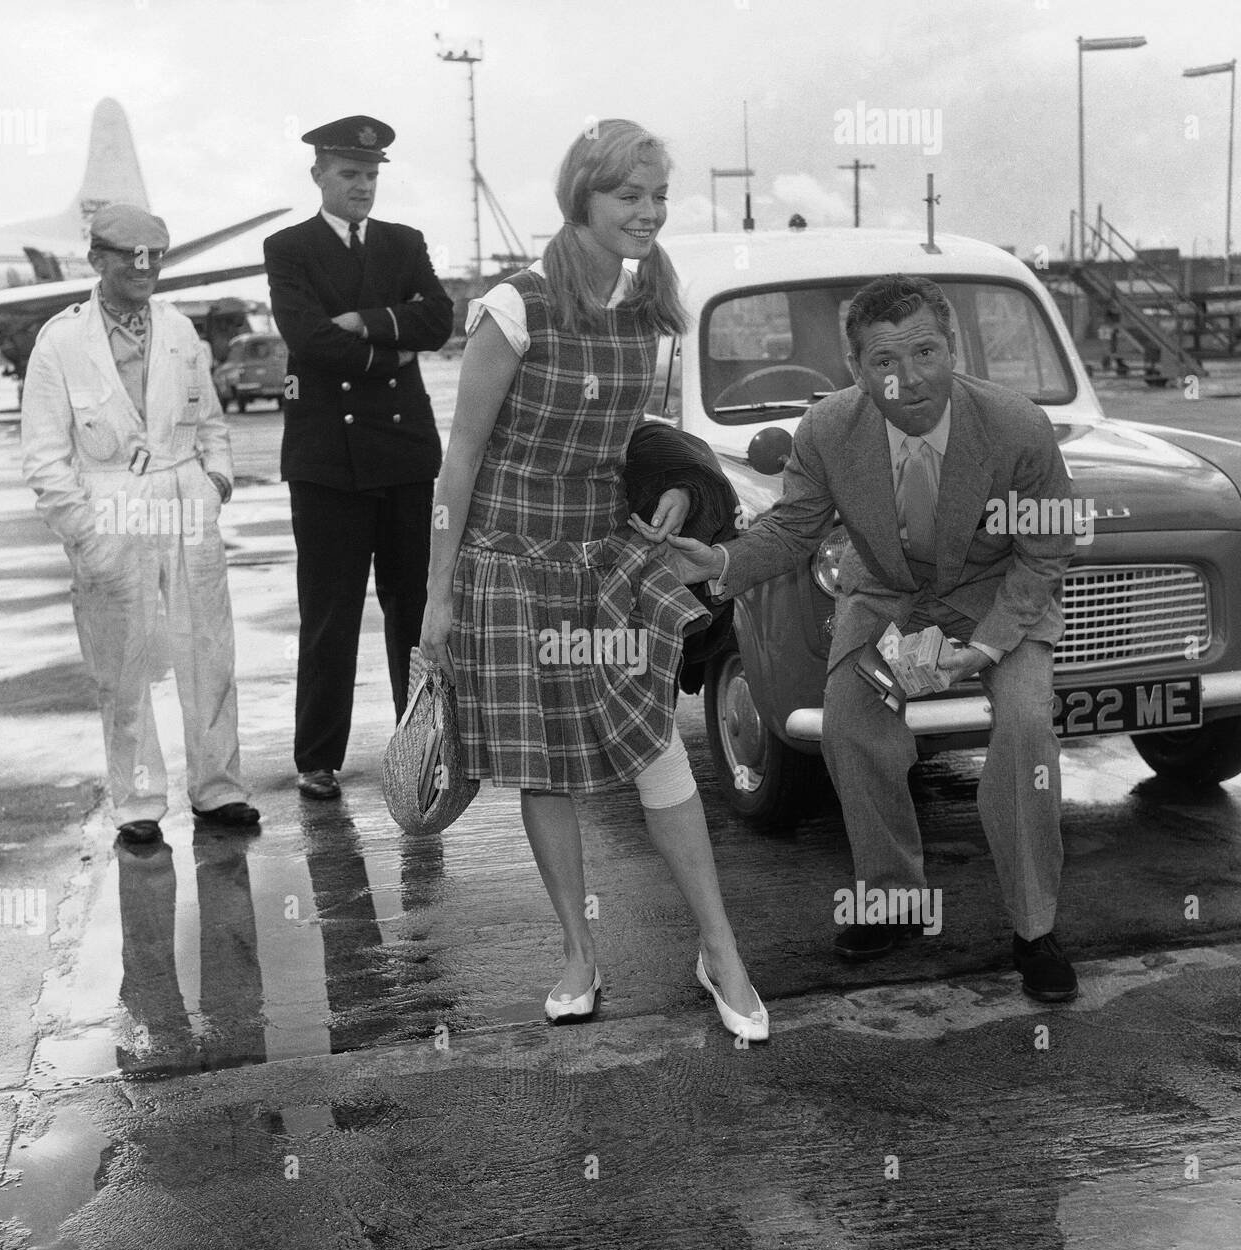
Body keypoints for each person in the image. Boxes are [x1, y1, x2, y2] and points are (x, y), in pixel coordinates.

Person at [419, 119, 767, 1041]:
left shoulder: (648, 308)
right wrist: (437, 597)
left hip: (603, 560)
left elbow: (633, 443)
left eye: (657, 195)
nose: (648, 213)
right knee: (545, 767)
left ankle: (720, 950)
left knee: (653, 745)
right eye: (629, 195)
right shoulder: (514, 308)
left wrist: (682, 495)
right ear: (583, 196)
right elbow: (458, 465)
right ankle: (577, 950)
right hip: (507, 565)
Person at [669, 274, 1079, 1003]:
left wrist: (983, 648)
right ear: (856, 371)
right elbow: (793, 529)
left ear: (952, 347)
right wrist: (724, 563)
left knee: (1024, 730)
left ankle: (1034, 927)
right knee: (851, 723)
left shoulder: (1018, 427)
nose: (909, 377)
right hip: (888, 594)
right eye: (884, 361)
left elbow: (1042, 557)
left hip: (998, 601)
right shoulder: (827, 430)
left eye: (926, 351)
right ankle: (895, 901)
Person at [21, 203, 259, 846]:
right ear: (97, 260)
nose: (145, 267)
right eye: (129, 255)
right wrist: (84, 530)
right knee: (121, 663)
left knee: (209, 649)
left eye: (155, 254)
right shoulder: (61, 342)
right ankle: (137, 801)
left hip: (185, 499)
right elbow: (44, 454)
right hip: (109, 505)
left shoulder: (181, 331)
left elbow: (211, 425)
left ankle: (218, 790)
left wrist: (214, 486)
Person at [265, 114, 454, 801]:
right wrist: (394, 347)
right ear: (318, 174)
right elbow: (307, 339)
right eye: (349, 174)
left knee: (412, 609)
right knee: (330, 612)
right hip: (326, 463)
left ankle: (421, 746)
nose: (362, 187)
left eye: (371, 176)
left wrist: (364, 322)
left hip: (403, 455)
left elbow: (441, 318)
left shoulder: (404, 243)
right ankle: (318, 757)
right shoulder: (288, 247)